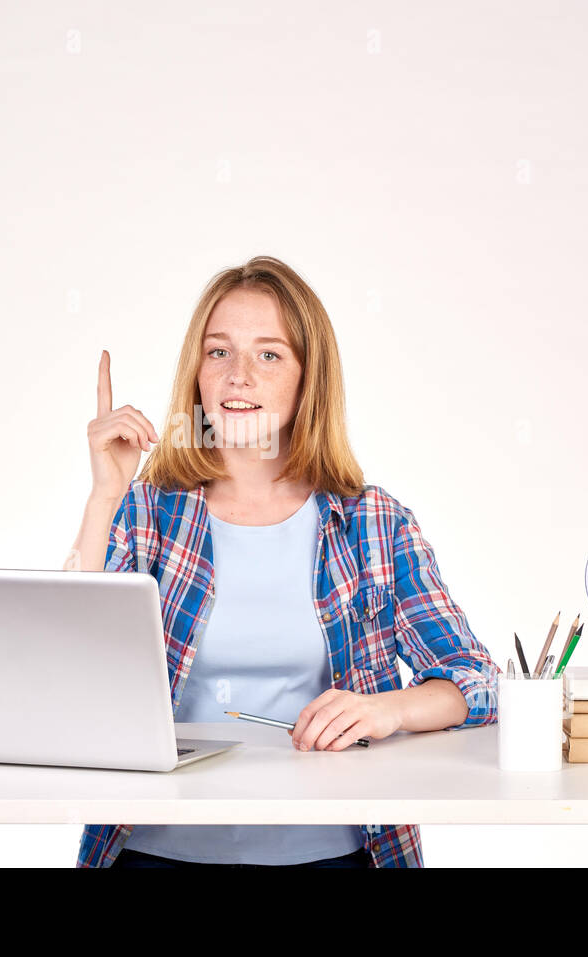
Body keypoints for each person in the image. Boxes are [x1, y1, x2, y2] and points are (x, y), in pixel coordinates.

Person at [66, 255, 499, 868]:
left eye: (269, 354)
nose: (238, 376)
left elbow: (478, 682)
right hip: (154, 852)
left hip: (334, 852)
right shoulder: (145, 513)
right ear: (197, 375)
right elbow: (70, 680)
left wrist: (388, 709)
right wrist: (106, 494)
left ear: (307, 380)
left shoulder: (373, 523)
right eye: (218, 352)